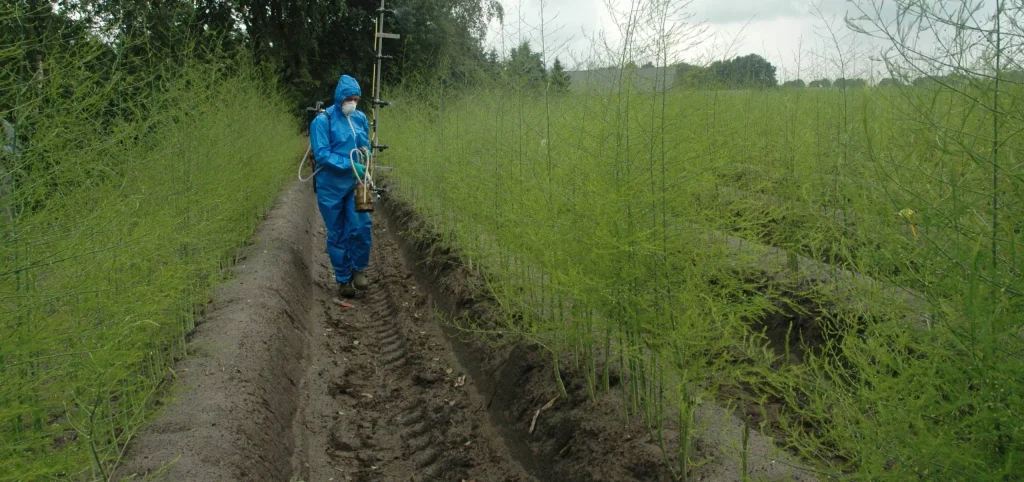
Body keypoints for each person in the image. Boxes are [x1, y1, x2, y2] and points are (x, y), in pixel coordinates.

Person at [310, 74, 373, 298]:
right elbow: (322, 154)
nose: (352, 103)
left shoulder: (360, 118)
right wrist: (351, 165)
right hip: (331, 186)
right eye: (349, 99)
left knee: (363, 225)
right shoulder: (322, 121)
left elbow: (365, 145)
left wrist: (365, 157)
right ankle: (344, 279)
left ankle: (359, 269)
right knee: (337, 232)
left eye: (356, 99)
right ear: (339, 97)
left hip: (360, 181)